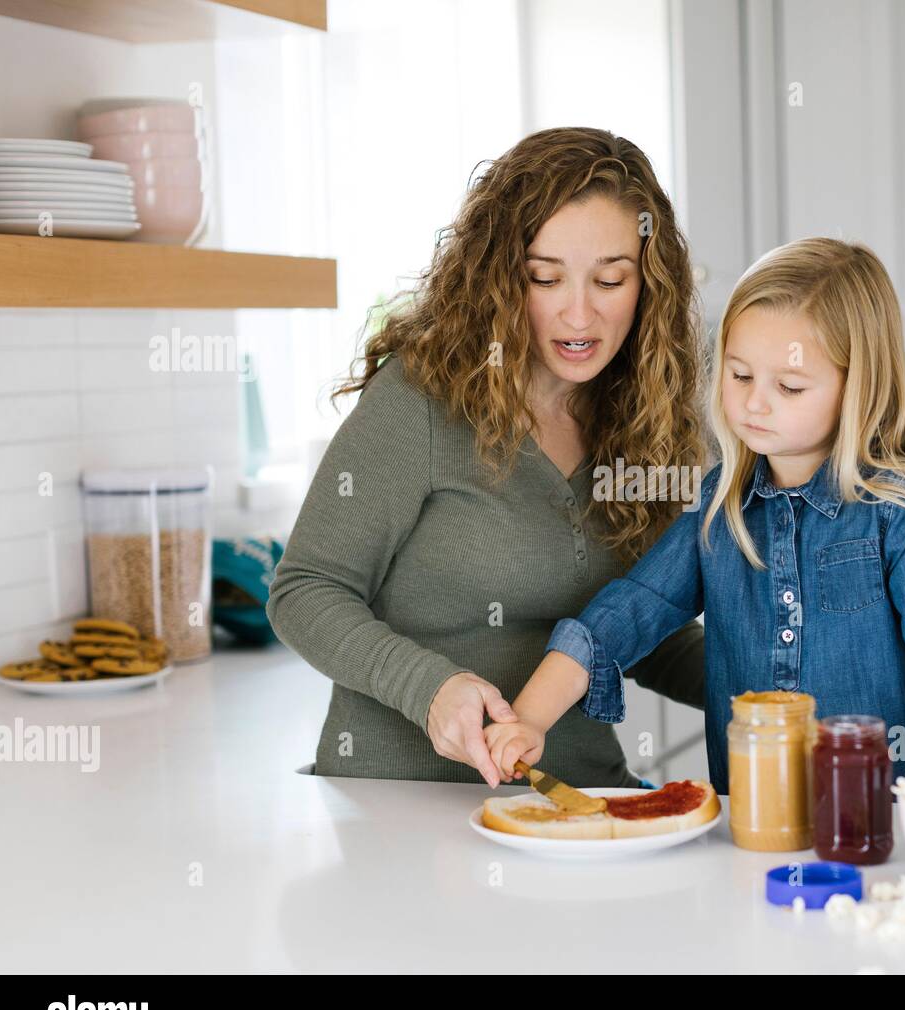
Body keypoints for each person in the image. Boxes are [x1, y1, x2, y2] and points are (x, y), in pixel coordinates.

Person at [485, 238, 905, 794]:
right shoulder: (722, 507)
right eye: (739, 376)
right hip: (750, 817)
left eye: (787, 386)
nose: (755, 403)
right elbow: (628, 612)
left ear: (858, 386)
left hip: (881, 822)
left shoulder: (899, 513)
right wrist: (529, 719)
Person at [267, 128, 709, 787]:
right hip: (405, 801)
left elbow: (633, 624)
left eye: (610, 279)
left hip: (577, 795)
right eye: (545, 277)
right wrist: (432, 688)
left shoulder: (642, 418)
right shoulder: (420, 401)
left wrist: (778, 685)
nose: (579, 313)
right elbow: (304, 590)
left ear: (649, 283)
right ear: (503, 276)